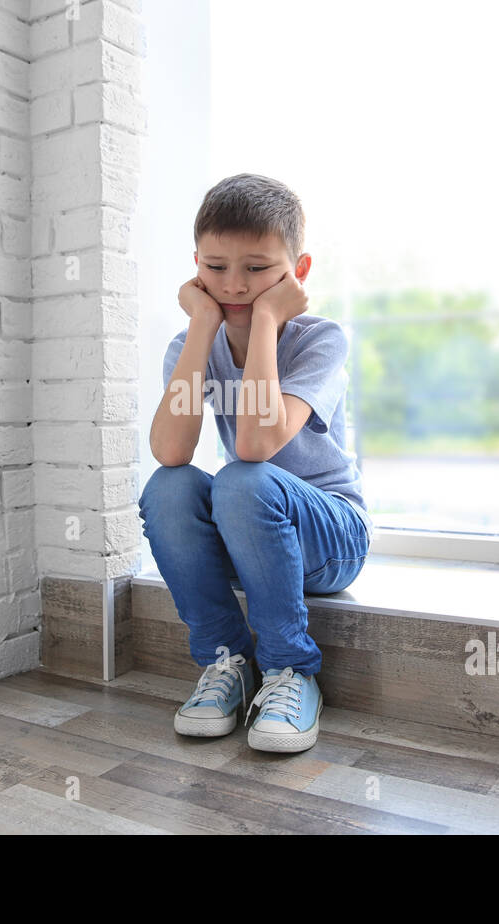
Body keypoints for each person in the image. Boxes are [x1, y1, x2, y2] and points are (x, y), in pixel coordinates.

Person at [139, 173, 372, 753]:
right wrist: (202, 327)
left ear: (298, 270)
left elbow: (256, 446)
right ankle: (228, 664)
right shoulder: (193, 342)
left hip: (330, 539)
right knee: (170, 487)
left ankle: (291, 670)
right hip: (250, 533)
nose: (235, 285)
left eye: (258, 268)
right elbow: (170, 451)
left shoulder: (320, 339)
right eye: (215, 268)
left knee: (243, 478)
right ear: (195, 265)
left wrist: (266, 322)